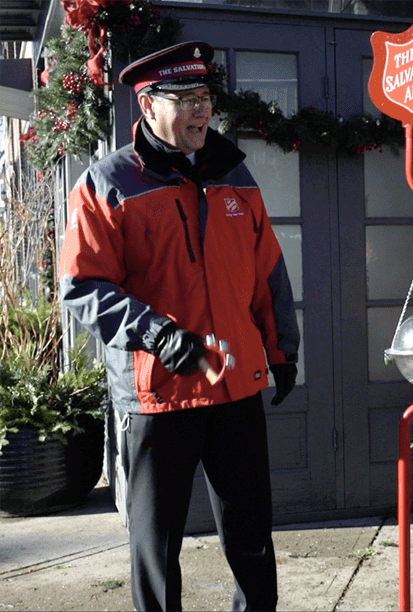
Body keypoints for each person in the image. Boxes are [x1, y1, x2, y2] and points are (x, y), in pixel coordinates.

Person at [59, 42, 300, 611]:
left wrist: (282, 349)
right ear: (147, 107)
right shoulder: (108, 183)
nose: (201, 110)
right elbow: (81, 285)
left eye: (205, 97)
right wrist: (158, 334)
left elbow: (268, 273)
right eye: (186, 99)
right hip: (157, 395)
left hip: (235, 384)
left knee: (251, 539)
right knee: (156, 545)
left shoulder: (234, 175)